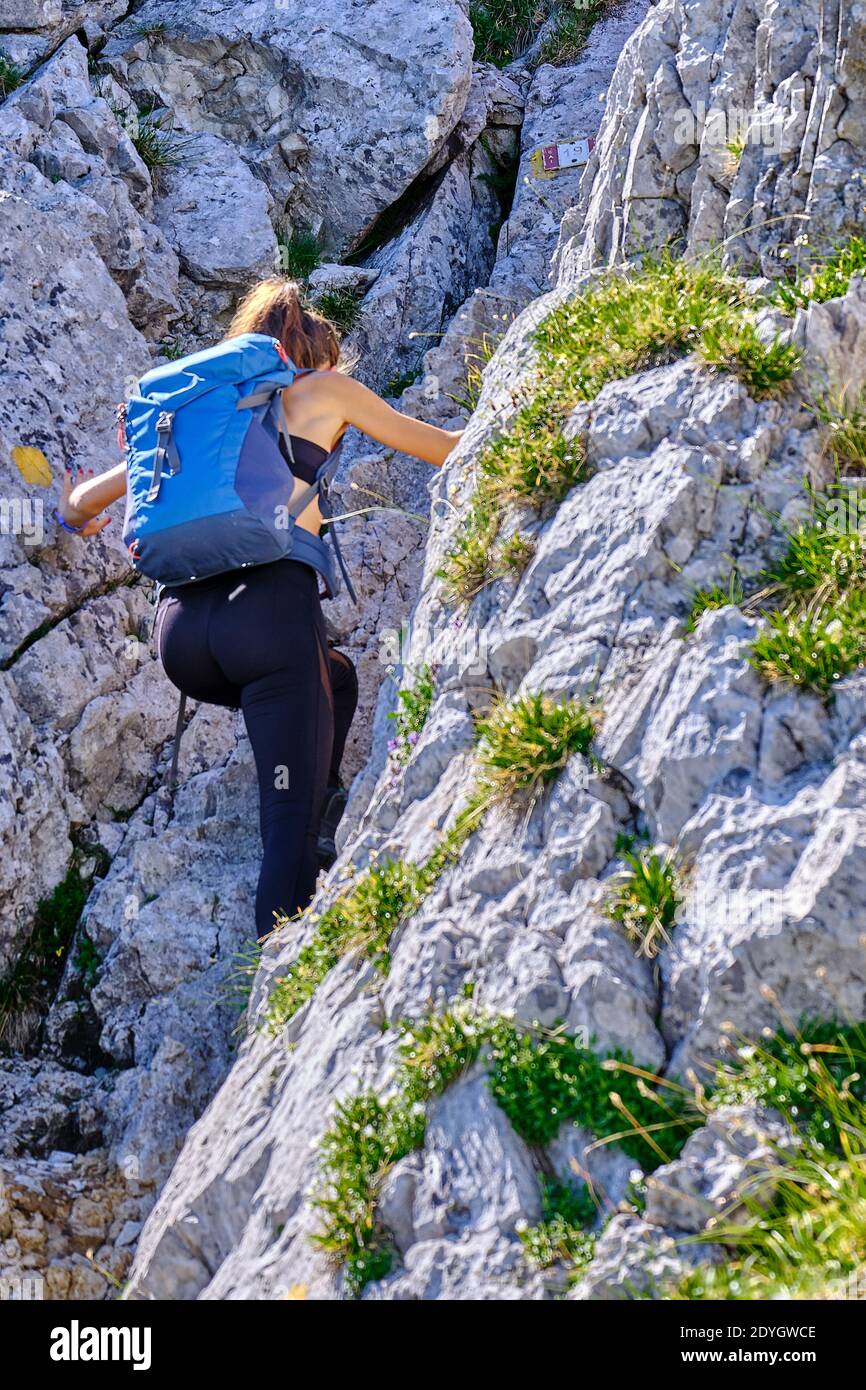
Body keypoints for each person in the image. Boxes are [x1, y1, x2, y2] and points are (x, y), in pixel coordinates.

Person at [59, 278, 462, 937]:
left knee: (337, 678)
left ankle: (316, 800)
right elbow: (445, 447)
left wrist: (73, 514)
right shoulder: (322, 389)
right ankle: (279, 996)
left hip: (184, 639)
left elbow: (80, 506)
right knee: (285, 831)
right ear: (316, 355)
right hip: (269, 617)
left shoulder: (204, 419)